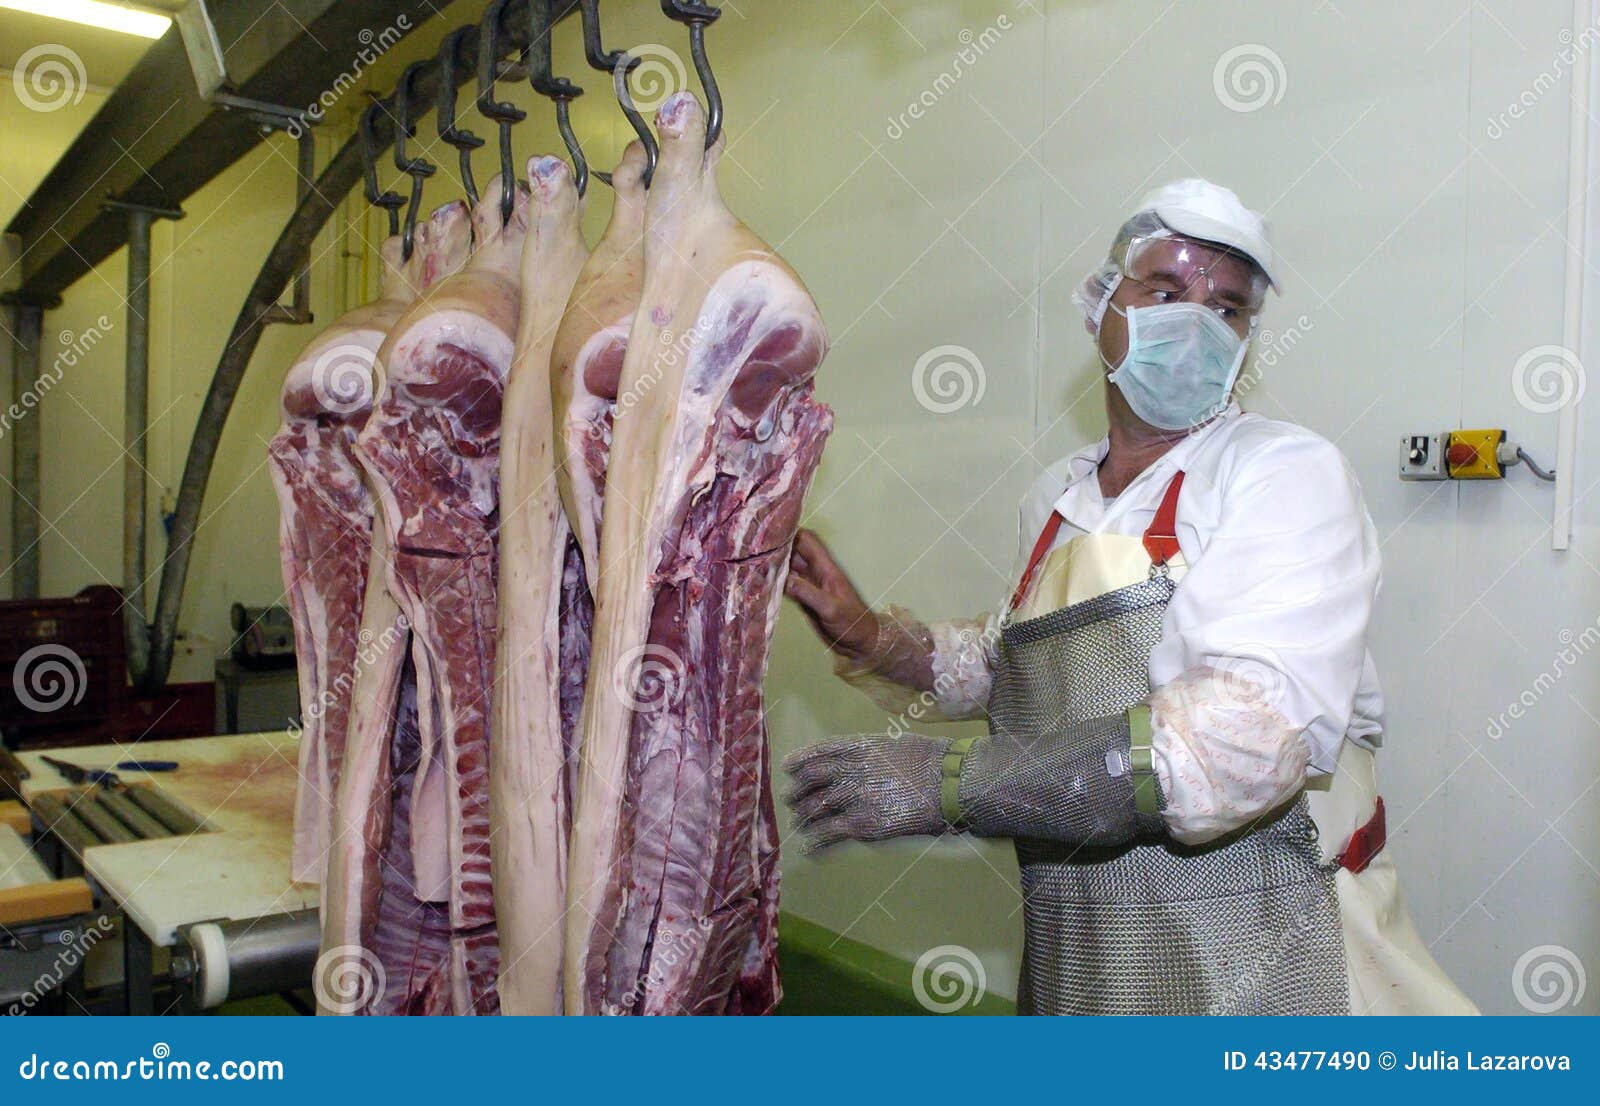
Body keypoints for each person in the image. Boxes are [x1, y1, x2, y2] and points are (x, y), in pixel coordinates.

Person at [782, 179, 1478, 1016]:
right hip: (1092, 948)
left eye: (1228, 307)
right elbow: (1017, 665)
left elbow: (1238, 742)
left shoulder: (1283, 473)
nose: (1197, 322)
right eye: (1166, 290)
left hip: (1274, 946)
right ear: (1102, 304)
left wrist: (951, 784)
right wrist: (874, 638)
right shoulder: (1057, 498)